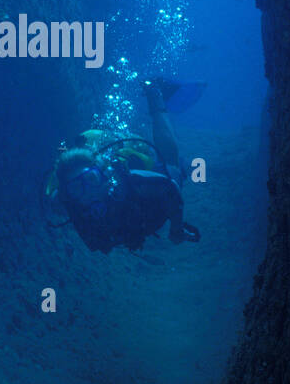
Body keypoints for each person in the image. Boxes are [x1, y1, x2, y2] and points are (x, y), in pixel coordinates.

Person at [49, 80, 202, 254]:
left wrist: (177, 228)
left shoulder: (129, 182)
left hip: (148, 185)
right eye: (76, 188)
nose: (88, 192)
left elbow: (170, 187)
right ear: (68, 195)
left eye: (91, 179)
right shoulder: (66, 204)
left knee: (172, 166)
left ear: (104, 176)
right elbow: (54, 199)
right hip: (138, 221)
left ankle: (155, 94)